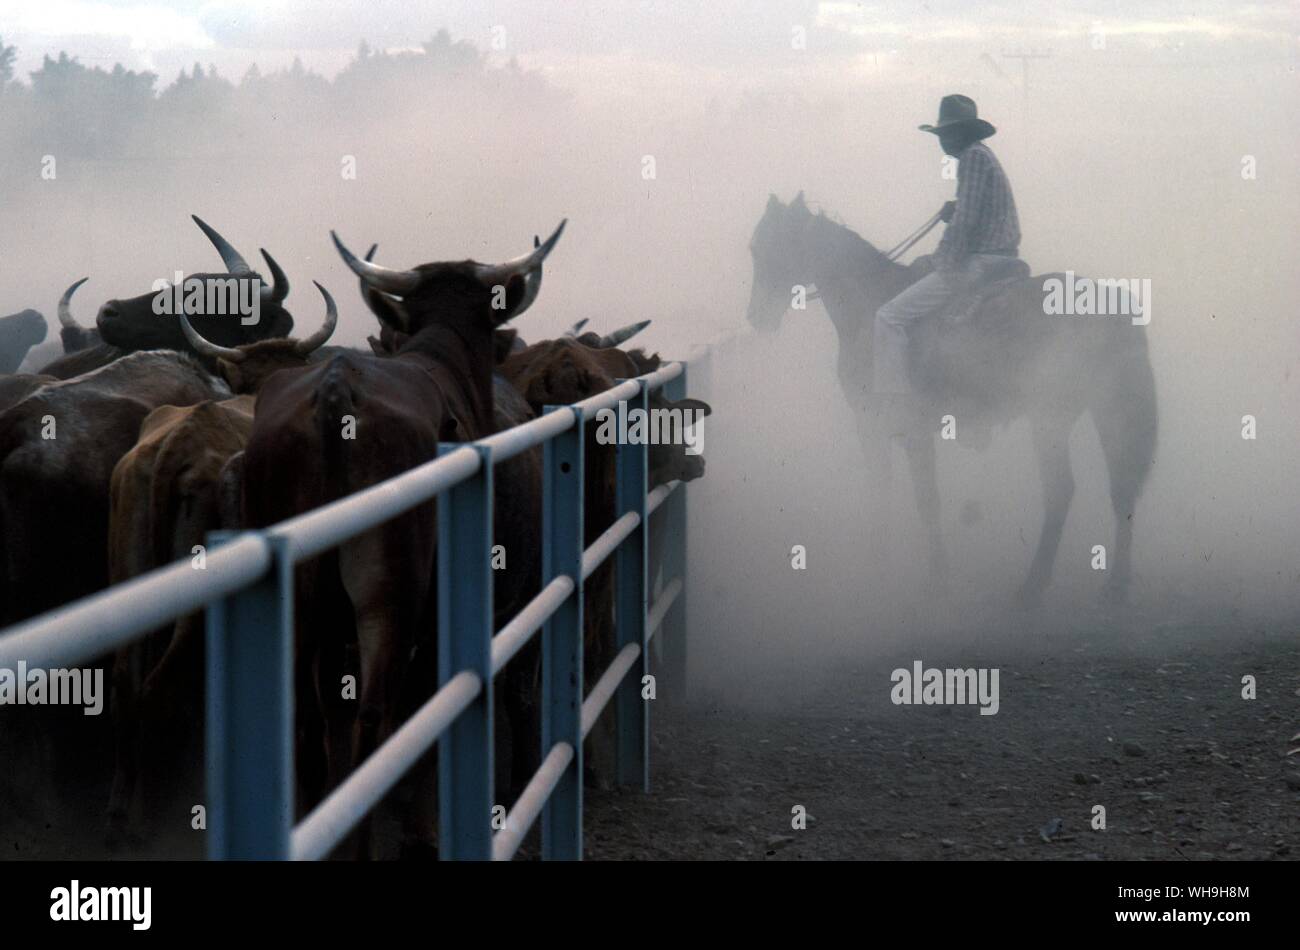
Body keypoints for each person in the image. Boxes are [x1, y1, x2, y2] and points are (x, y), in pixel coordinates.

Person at [873, 94, 1021, 396]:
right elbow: (972, 209)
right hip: (1002, 257)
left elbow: (965, 222)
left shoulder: (972, 159)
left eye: (946, 134)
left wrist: (939, 260)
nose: (943, 141)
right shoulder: (982, 156)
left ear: (959, 134)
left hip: (982, 261)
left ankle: (895, 401)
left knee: (888, 317)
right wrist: (954, 209)